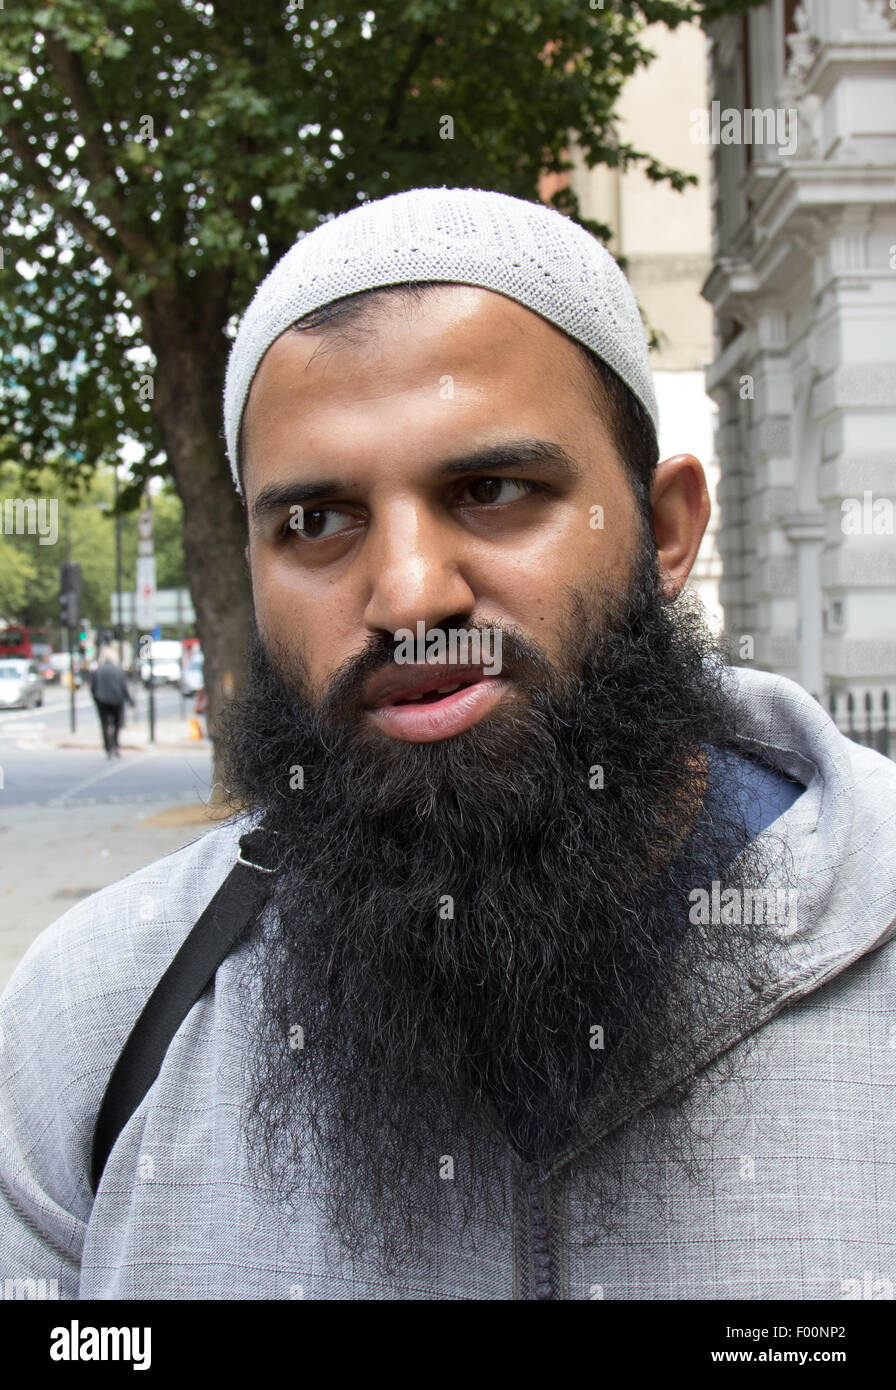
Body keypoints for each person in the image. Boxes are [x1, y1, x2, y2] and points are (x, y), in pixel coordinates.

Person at [1, 187, 894, 1300]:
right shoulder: (91, 1031)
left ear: (663, 532)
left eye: (490, 490)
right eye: (316, 522)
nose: (409, 592)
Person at [88, 647, 135, 758]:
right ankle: (115, 745)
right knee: (117, 724)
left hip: (102, 700)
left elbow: (93, 688)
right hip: (117, 700)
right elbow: (124, 687)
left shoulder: (98, 671)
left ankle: (108, 748)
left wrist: (96, 698)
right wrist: (130, 701)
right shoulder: (118, 670)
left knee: (104, 725)